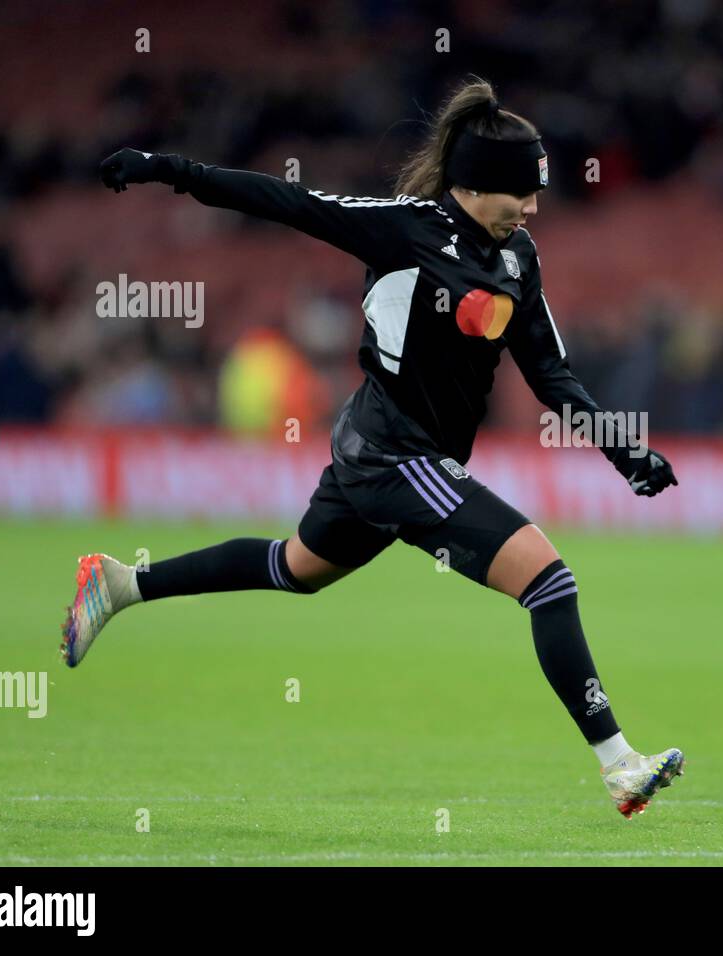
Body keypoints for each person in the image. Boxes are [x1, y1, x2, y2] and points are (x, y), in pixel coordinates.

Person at [68, 78, 684, 818]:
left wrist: (624, 450)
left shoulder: (517, 258)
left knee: (293, 568)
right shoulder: (403, 229)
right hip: (392, 452)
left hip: (395, 454)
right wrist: (168, 169)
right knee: (548, 581)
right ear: (479, 184)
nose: (534, 208)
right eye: (524, 193)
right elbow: (286, 202)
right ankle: (619, 765)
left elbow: (550, 372)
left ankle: (120, 584)